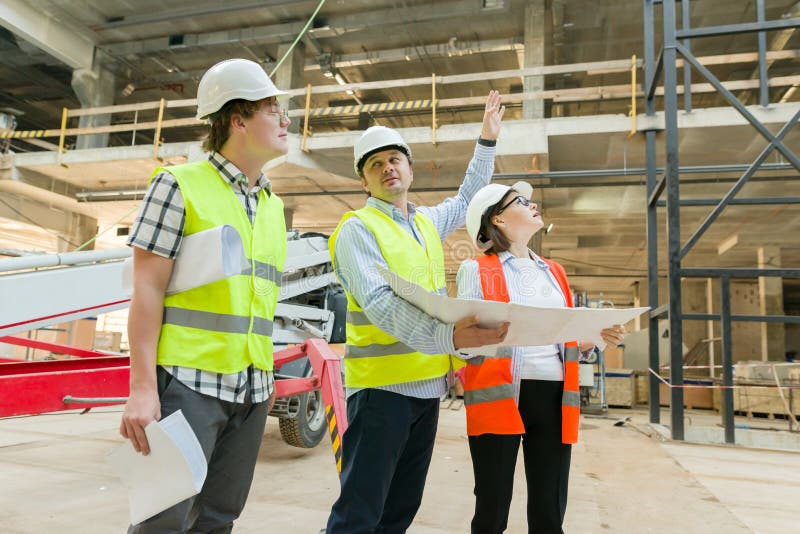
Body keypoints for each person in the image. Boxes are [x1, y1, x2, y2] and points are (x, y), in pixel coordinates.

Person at [324, 91, 510, 534]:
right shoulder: (357, 229)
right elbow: (381, 305)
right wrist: (450, 339)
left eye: (394, 159)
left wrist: (486, 140)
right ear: (363, 183)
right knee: (359, 514)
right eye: (375, 165)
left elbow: (469, 198)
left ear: (410, 169)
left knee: (400, 512)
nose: (388, 168)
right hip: (380, 395)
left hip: (427, 393)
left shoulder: (426, 223)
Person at [120, 58, 292, 533]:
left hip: (253, 390)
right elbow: (146, 288)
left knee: (219, 520)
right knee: (163, 521)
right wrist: (142, 388)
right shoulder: (178, 185)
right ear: (237, 119)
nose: (287, 120)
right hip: (188, 385)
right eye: (273, 109)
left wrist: (267, 380)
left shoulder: (273, 206)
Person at [456, 182, 626, 534]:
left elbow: (563, 337)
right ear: (498, 220)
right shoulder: (476, 269)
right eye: (520, 201)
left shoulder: (554, 272)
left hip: (553, 395)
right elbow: (467, 341)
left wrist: (595, 337)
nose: (532, 204)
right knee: (492, 507)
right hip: (499, 395)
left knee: (550, 509)